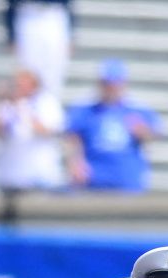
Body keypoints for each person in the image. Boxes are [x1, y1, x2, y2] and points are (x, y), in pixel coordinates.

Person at [65, 59, 160, 191]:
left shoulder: (136, 109)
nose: (111, 88)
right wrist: (75, 162)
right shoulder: (86, 109)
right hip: (93, 181)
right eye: (107, 84)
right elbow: (73, 137)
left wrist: (142, 131)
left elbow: (152, 135)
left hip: (127, 181)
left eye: (115, 84)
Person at [0, 67, 64, 191]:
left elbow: (48, 131)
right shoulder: (5, 104)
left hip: (40, 174)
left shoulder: (47, 102)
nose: (18, 88)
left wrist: (23, 109)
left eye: (22, 84)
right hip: (11, 176)